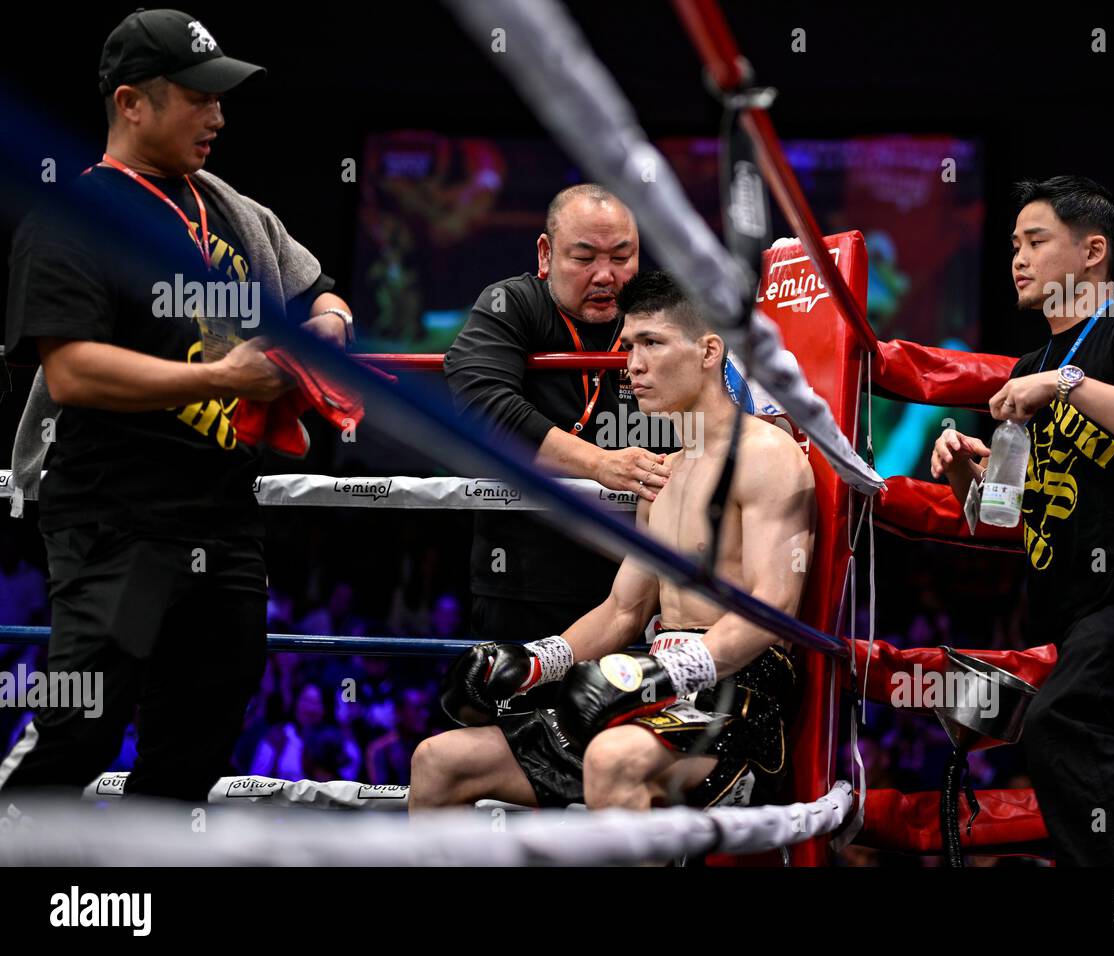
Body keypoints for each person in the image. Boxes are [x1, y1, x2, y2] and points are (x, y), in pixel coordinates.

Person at [0, 9, 353, 801]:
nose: (218, 116)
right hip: (116, 516)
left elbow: (321, 291)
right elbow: (74, 373)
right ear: (131, 103)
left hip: (223, 520)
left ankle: (132, 896)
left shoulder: (229, 208)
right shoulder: (74, 217)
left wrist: (321, 338)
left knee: (196, 745)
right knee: (78, 729)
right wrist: (227, 378)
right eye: (198, 97)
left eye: (220, 97)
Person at [410, 270, 815, 810]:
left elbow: (774, 605)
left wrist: (668, 669)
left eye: (652, 343)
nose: (634, 365)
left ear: (709, 351)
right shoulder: (662, 475)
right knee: (440, 762)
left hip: (737, 697)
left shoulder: (765, 455)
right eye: (629, 346)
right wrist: (535, 662)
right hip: (656, 691)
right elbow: (624, 612)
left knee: (612, 759)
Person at [931, 175, 1114, 865]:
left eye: (1035, 242)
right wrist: (969, 468)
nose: (1017, 260)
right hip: (1076, 616)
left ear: (1092, 252)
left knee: (1062, 719)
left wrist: (1068, 385)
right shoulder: (1035, 364)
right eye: (1012, 246)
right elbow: (1012, 508)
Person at [443, 185, 673, 652]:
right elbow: (482, 406)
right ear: (546, 254)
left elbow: (722, 407)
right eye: (584, 258)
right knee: (515, 718)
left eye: (621, 256)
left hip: (646, 585)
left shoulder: (664, 317)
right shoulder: (512, 304)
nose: (606, 276)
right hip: (526, 582)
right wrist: (601, 464)